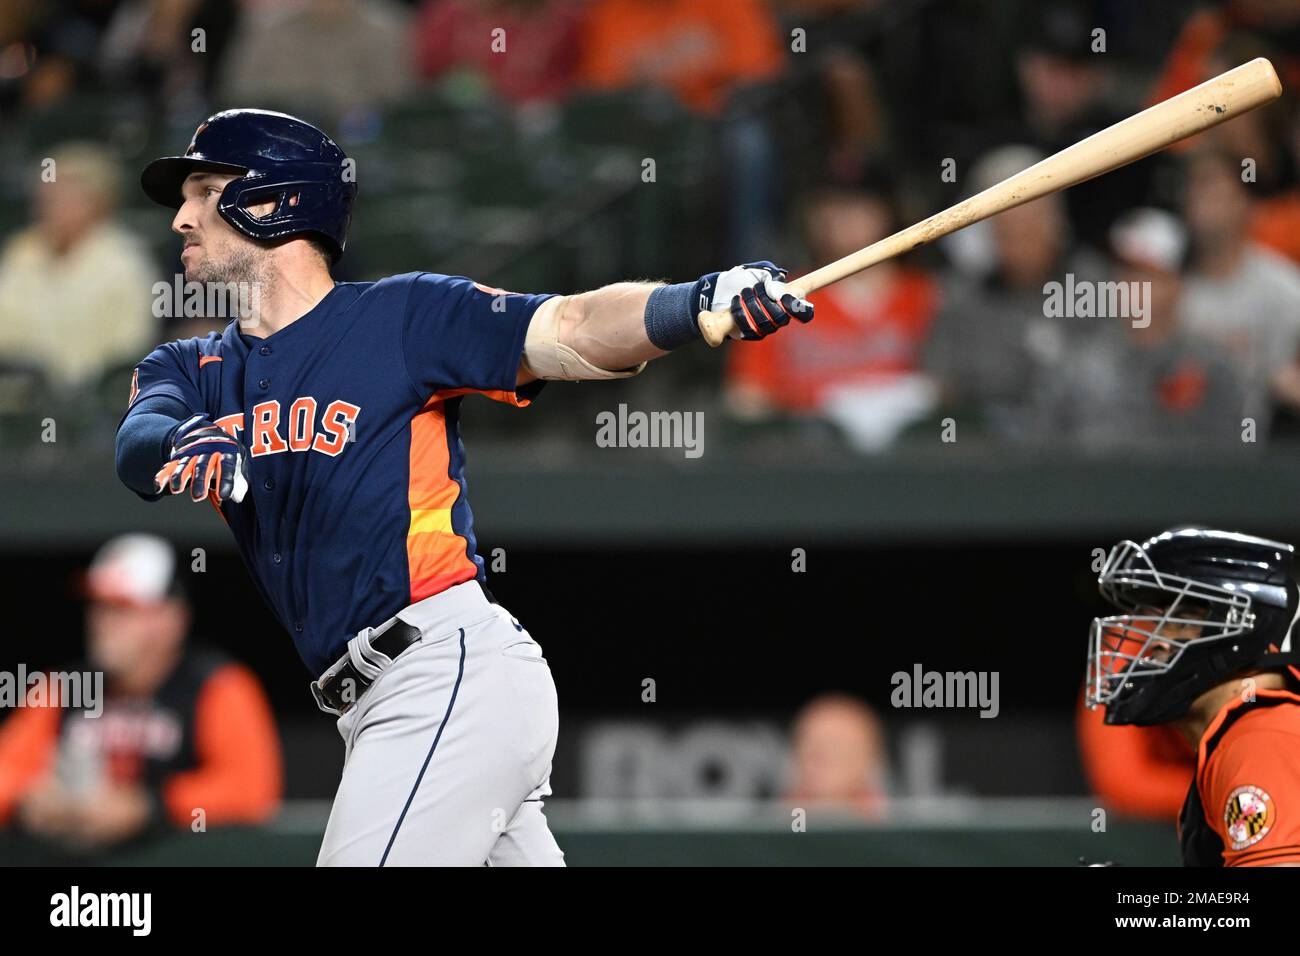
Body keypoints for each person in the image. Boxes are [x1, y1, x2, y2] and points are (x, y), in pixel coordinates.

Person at [114, 108, 813, 866]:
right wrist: (179, 438)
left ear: (274, 200)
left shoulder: (403, 317)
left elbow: (571, 327)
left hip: (440, 670)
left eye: (205, 189)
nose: (181, 217)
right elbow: (138, 438)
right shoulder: (190, 368)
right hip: (388, 702)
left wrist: (697, 303)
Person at [0, 534, 281, 855]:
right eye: (98, 605)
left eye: (122, 608)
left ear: (171, 619)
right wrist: (28, 801)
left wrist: (147, 807)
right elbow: (4, 773)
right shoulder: (62, 687)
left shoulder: (216, 686)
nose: (102, 622)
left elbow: (252, 789)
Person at [1085, 527, 1300, 866]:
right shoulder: (1253, 733)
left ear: (1251, 628)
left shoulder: (1262, 738)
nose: (1154, 641)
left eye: (1183, 620)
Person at [0, 142, 158, 397]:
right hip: (18, 394)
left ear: (98, 203)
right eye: (47, 198)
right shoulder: (21, 251)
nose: (51, 208)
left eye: (65, 199)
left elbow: (129, 345)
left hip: (95, 402)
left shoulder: (125, 261)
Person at [785, 693, 887, 820]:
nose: (818, 757)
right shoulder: (777, 821)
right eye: (809, 745)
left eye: (835, 746)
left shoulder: (888, 824)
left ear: (867, 758)